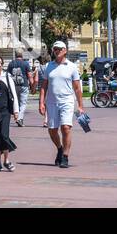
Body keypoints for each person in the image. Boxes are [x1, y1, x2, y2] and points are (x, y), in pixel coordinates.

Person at [38, 41, 84, 169]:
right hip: (52, 102)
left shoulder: (72, 66)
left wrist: (80, 105)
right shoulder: (49, 66)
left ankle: (65, 156)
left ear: (65, 50)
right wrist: (41, 102)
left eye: (59, 49)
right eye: (55, 49)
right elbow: (44, 86)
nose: (57, 51)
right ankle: (59, 148)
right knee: (52, 129)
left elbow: (77, 88)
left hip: (67, 101)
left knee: (65, 128)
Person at [7, 51, 31, 127]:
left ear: (15, 55)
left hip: (14, 85)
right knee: (23, 103)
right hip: (24, 85)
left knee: (16, 102)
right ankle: (19, 118)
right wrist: (33, 85)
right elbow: (29, 75)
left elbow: (8, 74)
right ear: (22, 55)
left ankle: (18, 117)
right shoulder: (26, 63)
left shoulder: (11, 63)